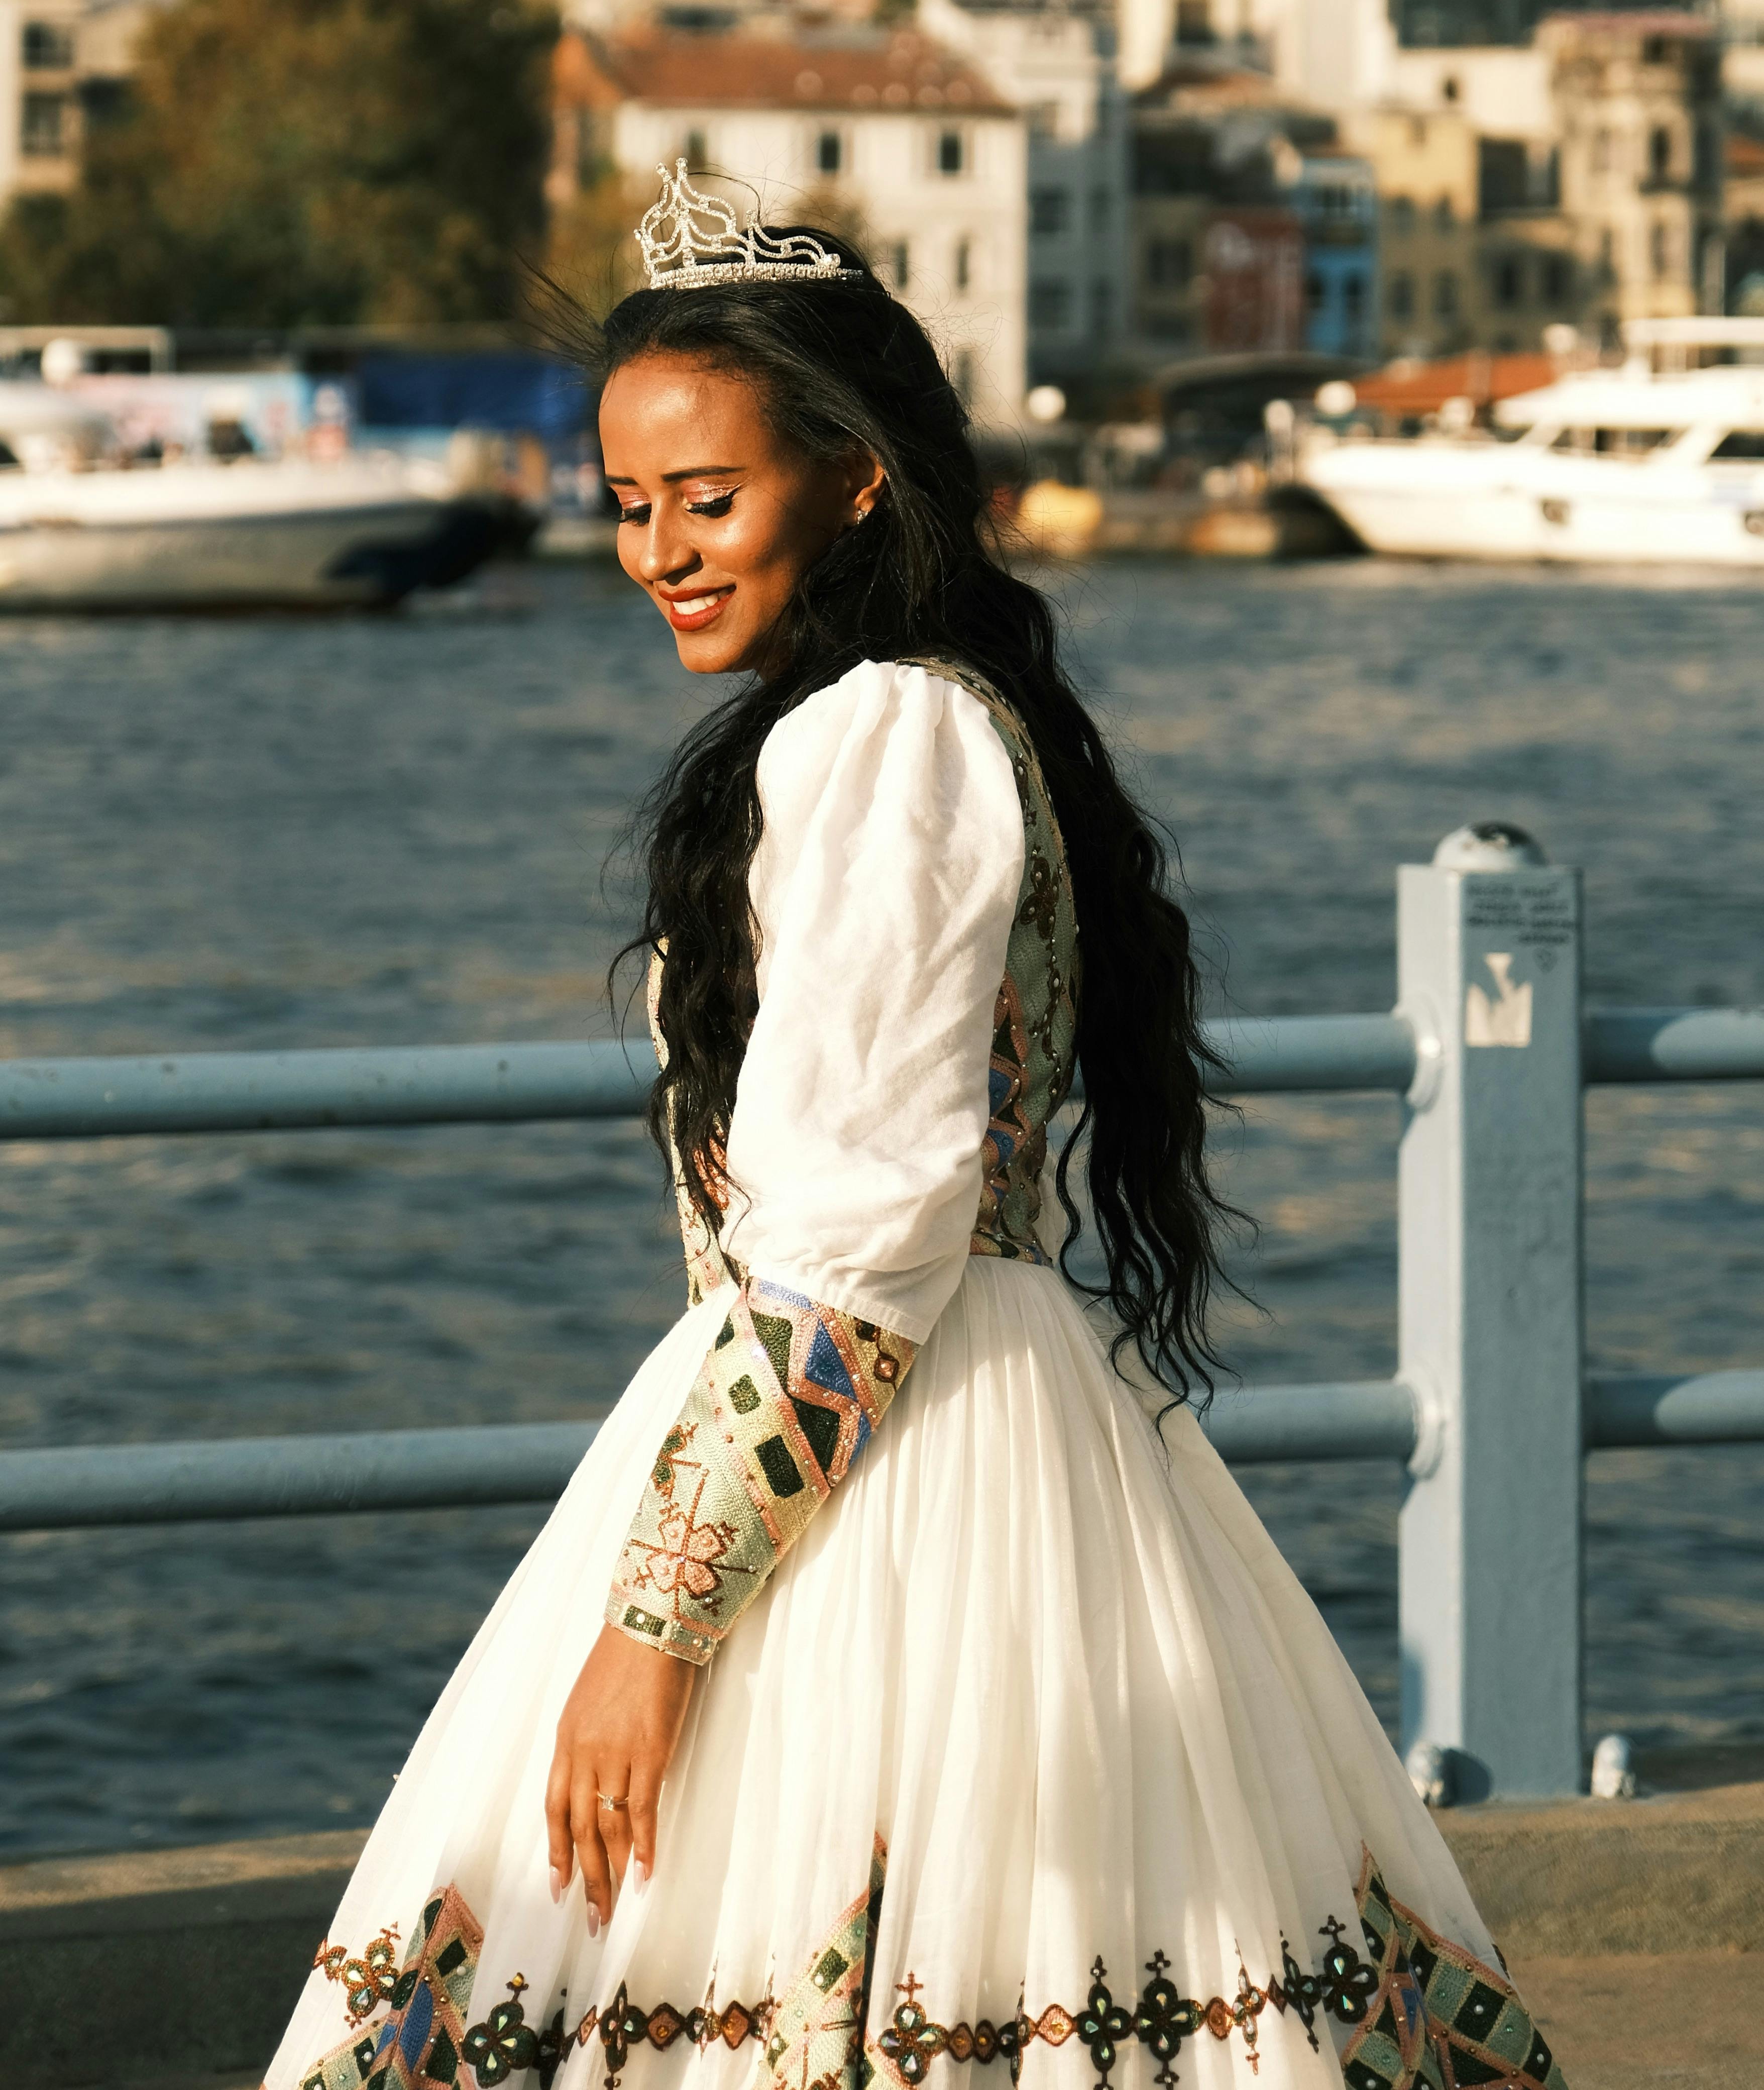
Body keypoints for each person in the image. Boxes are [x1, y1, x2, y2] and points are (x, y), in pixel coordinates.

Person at [265, 168, 1566, 2090]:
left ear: (856, 479)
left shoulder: (884, 732)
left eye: (709, 500)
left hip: (894, 1434)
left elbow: (861, 1234)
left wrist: (656, 1631)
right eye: (628, 504)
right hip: (931, 1418)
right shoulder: (919, 717)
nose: (658, 552)